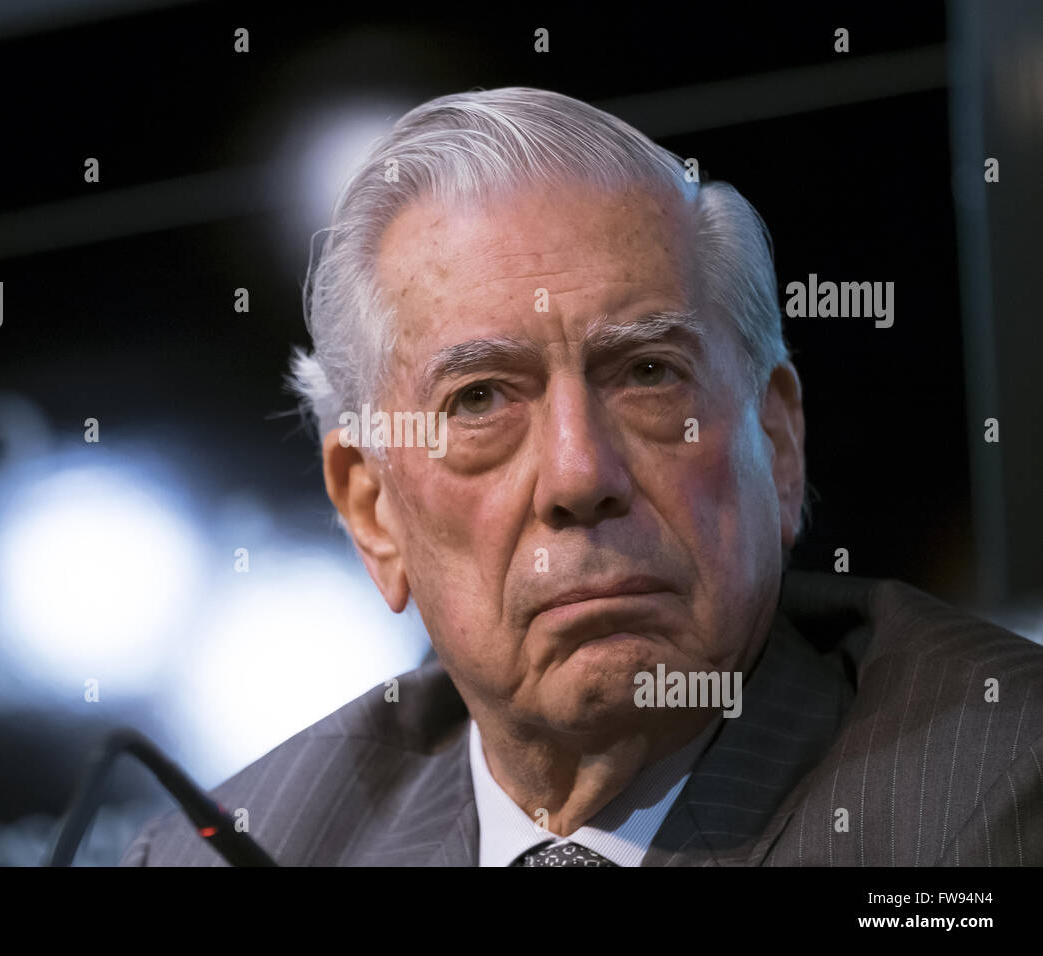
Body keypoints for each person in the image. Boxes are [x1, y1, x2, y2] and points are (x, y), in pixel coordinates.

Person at [124, 87, 1043, 866]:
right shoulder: (230, 852)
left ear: (779, 440)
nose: (578, 474)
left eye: (647, 373)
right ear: (373, 511)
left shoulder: (995, 796)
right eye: (480, 399)